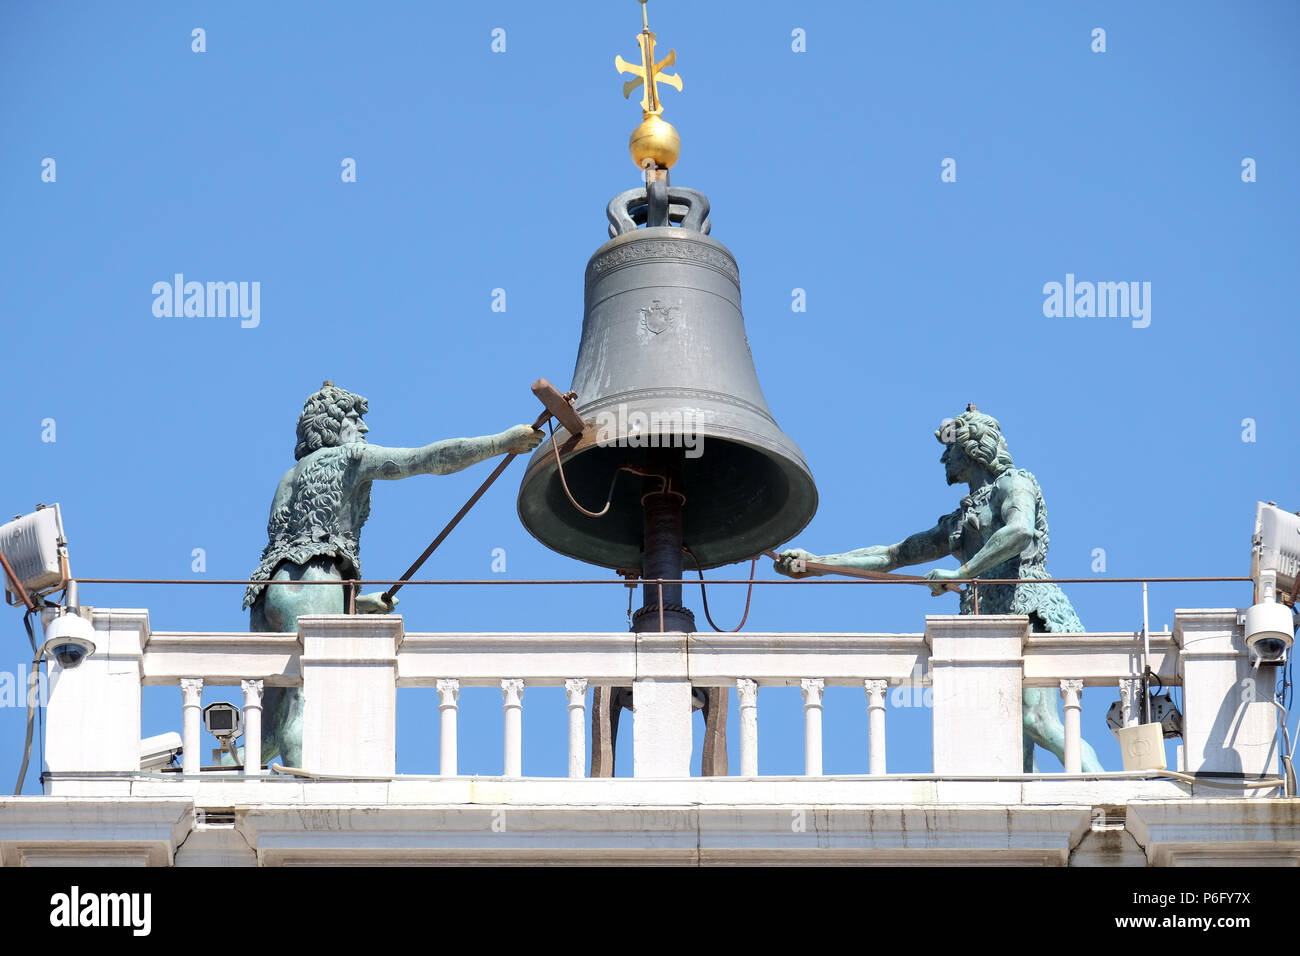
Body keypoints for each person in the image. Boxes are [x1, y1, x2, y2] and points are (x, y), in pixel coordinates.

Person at [774, 404, 1102, 772]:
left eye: (950, 447)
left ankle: (1105, 790)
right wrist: (819, 564)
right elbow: (892, 555)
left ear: (971, 446)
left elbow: (1020, 530)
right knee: (1009, 735)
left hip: (1027, 610)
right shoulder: (959, 520)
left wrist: (963, 573)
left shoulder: (1014, 483)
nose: (944, 456)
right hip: (987, 627)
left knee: (1035, 721)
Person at [244, 381, 542, 767]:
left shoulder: (288, 478)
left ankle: (218, 766)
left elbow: (284, 546)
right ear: (335, 426)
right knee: (307, 694)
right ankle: (305, 791)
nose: (364, 429)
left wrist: (351, 604)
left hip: (269, 590)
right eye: (355, 419)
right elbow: (428, 459)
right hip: (318, 579)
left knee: (269, 719)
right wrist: (502, 442)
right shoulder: (350, 458)